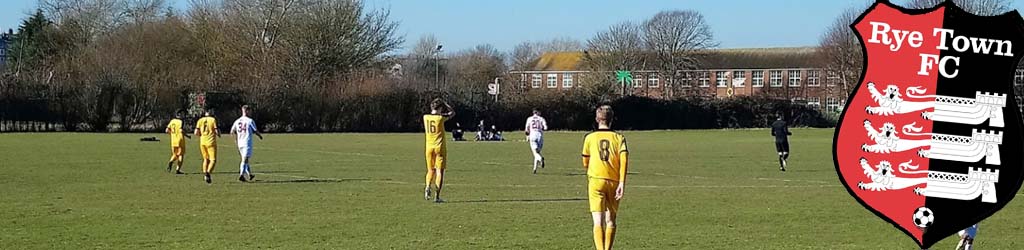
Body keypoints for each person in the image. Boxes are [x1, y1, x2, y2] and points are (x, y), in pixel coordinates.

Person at [581, 105, 629, 250]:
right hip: (614, 182)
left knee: (598, 222)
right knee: (611, 220)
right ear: (612, 120)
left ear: (597, 119)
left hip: (596, 181)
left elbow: (585, 162)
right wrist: (622, 183)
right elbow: (624, 160)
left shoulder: (589, 138)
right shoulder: (619, 138)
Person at [423, 98, 455, 203]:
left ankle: (428, 186)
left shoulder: (425, 117)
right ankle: (437, 196)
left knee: (430, 170)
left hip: (429, 147)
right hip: (439, 148)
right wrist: (445, 103)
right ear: (440, 108)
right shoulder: (440, 118)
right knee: (439, 172)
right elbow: (452, 113)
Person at [230, 105, 263, 182]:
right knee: (245, 159)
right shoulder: (250, 121)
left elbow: (232, 131)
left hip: (240, 143)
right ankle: (241, 175)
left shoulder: (237, 121)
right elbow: (255, 130)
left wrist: (235, 140)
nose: (251, 112)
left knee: (245, 159)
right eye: (250, 111)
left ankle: (250, 174)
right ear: (247, 111)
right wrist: (260, 136)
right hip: (246, 142)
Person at [194, 109, 220, 184]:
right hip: (211, 142)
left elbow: (196, 132)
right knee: (213, 160)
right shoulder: (212, 120)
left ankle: (205, 174)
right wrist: (218, 134)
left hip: (202, 142)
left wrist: (201, 135)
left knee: (206, 159)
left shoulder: (200, 120)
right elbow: (216, 130)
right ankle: (208, 173)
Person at [165, 109, 191, 175]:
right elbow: (181, 130)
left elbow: (167, 130)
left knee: (175, 154)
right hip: (180, 140)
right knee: (181, 155)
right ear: (179, 114)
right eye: (182, 114)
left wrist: (172, 134)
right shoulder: (181, 121)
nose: (183, 115)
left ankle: (171, 161)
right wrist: (187, 136)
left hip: (173, 141)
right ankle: (177, 170)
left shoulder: (172, 121)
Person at [525, 109, 548, 174]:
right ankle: (534, 169)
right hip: (539, 136)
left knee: (536, 153)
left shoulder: (529, 119)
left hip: (532, 135)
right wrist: (542, 128)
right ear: (537, 112)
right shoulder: (541, 119)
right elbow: (545, 128)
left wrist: (527, 136)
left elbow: (526, 130)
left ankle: (541, 159)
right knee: (537, 152)